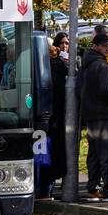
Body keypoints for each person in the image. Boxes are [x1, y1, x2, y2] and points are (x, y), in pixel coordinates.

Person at [80, 33, 108, 201]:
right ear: (95, 46)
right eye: (105, 45)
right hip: (103, 114)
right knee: (107, 153)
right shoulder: (101, 66)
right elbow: (106, 91)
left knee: (94, 153)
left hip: (91, 114)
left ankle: (93, 187)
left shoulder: (87, 63)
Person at [37, 32, 70, 200]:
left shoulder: (64, 67)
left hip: (55, 117)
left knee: (47, 154)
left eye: (67, 43)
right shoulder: (56, 68)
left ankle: (45, 189)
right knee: (47, 154)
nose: (64, 46)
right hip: (52, 117)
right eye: (61, 43)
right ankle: (45, 189)